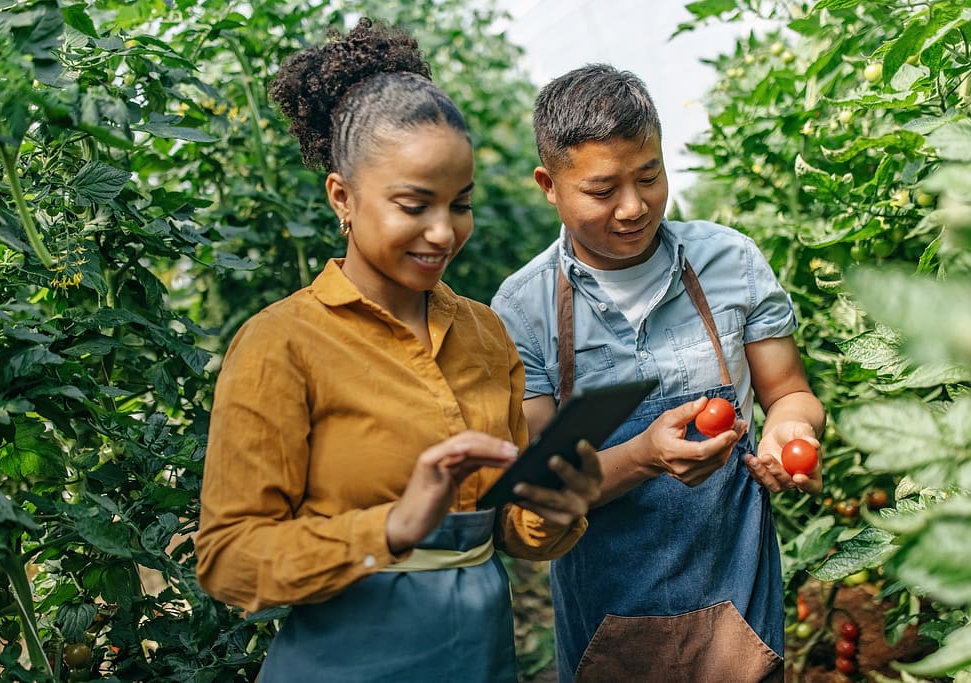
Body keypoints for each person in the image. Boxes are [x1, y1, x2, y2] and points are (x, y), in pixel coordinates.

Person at [194, 19, 603, 683]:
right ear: (343, 197)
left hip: (478, 660)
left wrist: (555, 506)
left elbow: (505, 528)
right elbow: (228, 560)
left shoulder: (485, 335)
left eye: (460, 204)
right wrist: (390, 526)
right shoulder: (282, 343)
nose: (443, 232)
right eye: (414, 205)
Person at [491, 64, 826, 683]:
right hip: (606, 613)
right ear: (548, 185)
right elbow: (540, 484)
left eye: (649, 176)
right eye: (602, 190)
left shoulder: (730, 262)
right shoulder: (523, 309)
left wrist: (790, 432)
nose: (633, 207)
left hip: (737, 599)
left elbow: (788, 392)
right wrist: (644, 456)